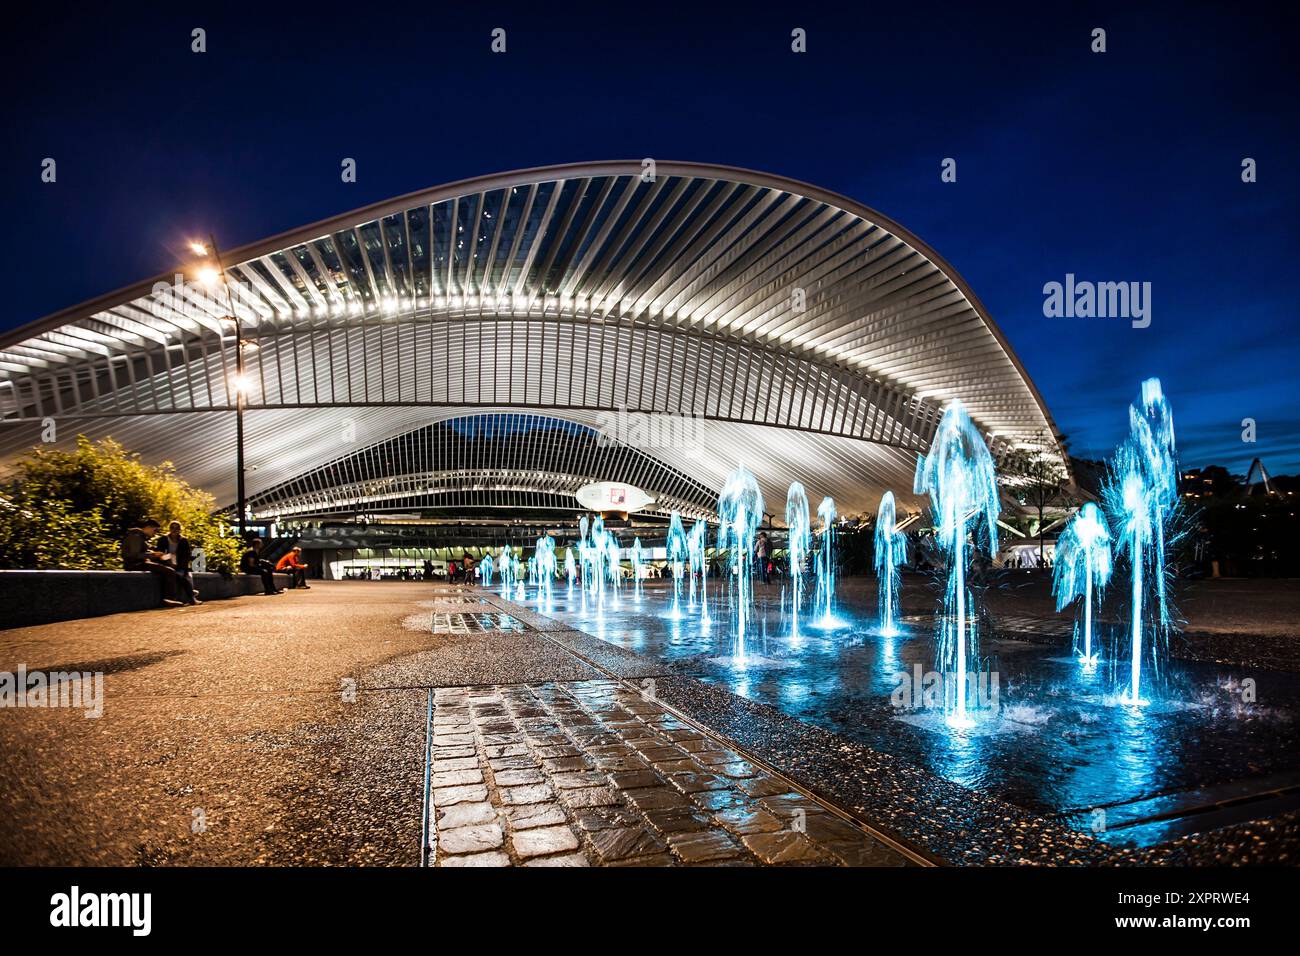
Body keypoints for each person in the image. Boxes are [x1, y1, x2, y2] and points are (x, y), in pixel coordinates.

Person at [122, 517, 200, 606]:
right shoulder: (135, 537)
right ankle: (169, 598)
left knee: (175, 573)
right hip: (135, 564)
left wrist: (153, 554)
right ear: (149, 527)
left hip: (141, 562)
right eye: (155, 530)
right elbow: (134, 555)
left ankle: (187, 594)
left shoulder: (140, 537)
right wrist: (153, 555)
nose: (155, 533)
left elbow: (139, 553)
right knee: (169, 571)